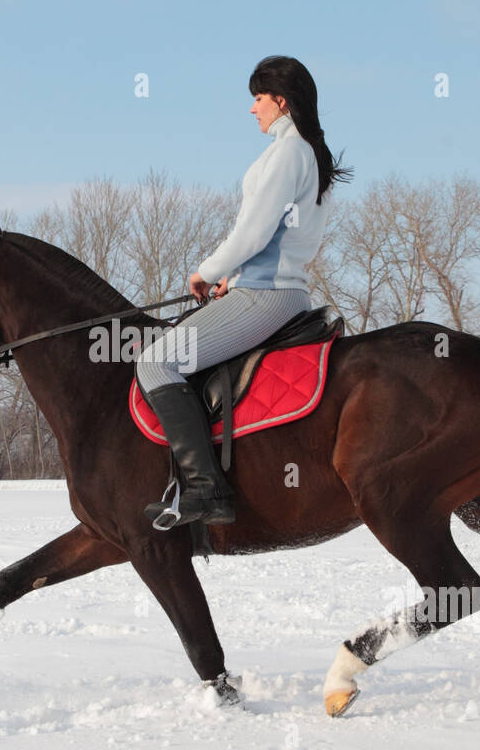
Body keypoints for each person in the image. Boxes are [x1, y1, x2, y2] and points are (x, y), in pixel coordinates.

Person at [135, 55, 353, 529]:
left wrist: (207, 271)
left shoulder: (287, 154)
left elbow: (253, 232)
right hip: (278, 290)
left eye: (257, 99)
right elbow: (289, 240)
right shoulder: (310, 154)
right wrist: (235, 277)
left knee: (156, 361)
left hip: (266, 296)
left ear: (282, 100)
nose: (252, 109)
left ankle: (205, 489)